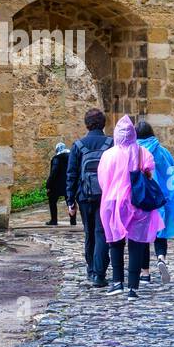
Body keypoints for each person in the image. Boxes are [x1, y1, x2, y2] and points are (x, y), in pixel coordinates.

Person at [98, 115, 163, 300]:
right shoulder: (144, 153)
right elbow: (150, 176)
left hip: (113, 202)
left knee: (115, 243)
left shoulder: (108, 155)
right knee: (137, 244)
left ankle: (117, 281)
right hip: (139, 203)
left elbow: (103, 181)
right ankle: (133, 287)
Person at [135, 120, 174, 285]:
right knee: (160, 230)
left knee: (143, 236)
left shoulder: (135, 152)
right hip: (160, 199)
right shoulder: (163, 152)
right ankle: (161, 258)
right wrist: (172, 194)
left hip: (142, 199)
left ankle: (144, 273)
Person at [66, 108, 113, 286]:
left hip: (84, 196)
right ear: (103, 123)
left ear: (86, 124)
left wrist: (70, 201)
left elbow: (71, 174)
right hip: (106, 195)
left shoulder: (78, 145)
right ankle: (99, 275)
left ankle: (91, 270)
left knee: (89, 233)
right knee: (102, 233)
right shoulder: (111, 143)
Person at [46, 142, 75, 226]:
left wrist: (48, 184)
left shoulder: (56, 158)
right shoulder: (71, 157)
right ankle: (73, 221)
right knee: (70, 202)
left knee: (52, 201)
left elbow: (54, 171)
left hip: (57, 185)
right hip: (69, 183)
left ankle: (54, 220)